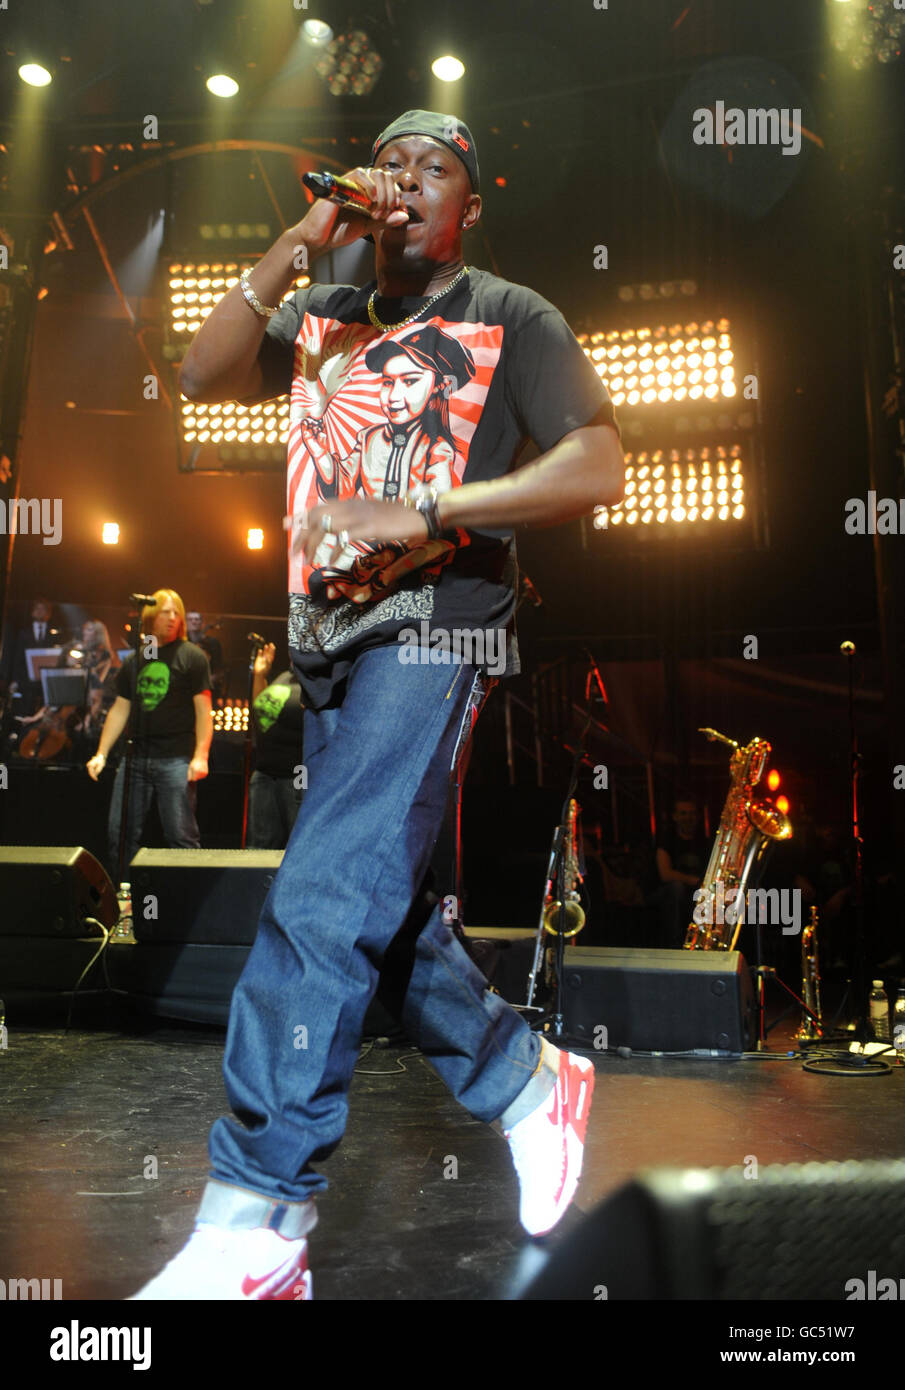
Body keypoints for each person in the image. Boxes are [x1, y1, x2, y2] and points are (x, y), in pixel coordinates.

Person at [131, 109, 624, 1301]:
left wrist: (438, 511)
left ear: (467, 206)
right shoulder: (320, 312)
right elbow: (193, 371)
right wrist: (300, 239)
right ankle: (524, 1081)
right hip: (326, 641)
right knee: (381, 913)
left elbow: (600, 463)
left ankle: (260, 1224)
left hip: (439, 621)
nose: (403, 182)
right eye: (387, 163)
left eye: (432, 169)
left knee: (325, 886)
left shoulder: (511, 315)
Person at [86, 590, 213, 878]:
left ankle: (188, 905)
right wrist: (102, 753)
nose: (172, 618)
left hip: (176, 758)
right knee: (120, 835)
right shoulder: (135, 660)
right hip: (135, 759)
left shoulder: (192, 657)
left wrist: (200, 756)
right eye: (165, 612)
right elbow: (121, 709)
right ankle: (124, 900)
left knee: (181, 837)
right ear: (150, 617)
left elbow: (204, 711)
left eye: (176, 612)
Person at [247, 641, 305, 849]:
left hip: (295, 776)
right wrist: (260, 676)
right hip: (265, 773)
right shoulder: (284, 677)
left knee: (296, 845)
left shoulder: (317, 680)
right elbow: (260, 709)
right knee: (258, 848)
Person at [654, 796, 712, 948]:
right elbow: (665, 874)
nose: (688, 818)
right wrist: (693, 881)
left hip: (699, 893)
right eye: (683, 813)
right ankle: (675, 943)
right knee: (676, 888)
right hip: (669, 894)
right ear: (675, 817)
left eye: (692, 813)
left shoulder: (704, 842)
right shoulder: (667, 841)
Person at [186, 611, 226, 699]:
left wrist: (206, 682)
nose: (194, 622)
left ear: (202, 623)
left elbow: (219, 670)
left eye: (197, 619)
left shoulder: (213, 643)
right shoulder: (182, 643)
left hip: (207, 690)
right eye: (190, 619)